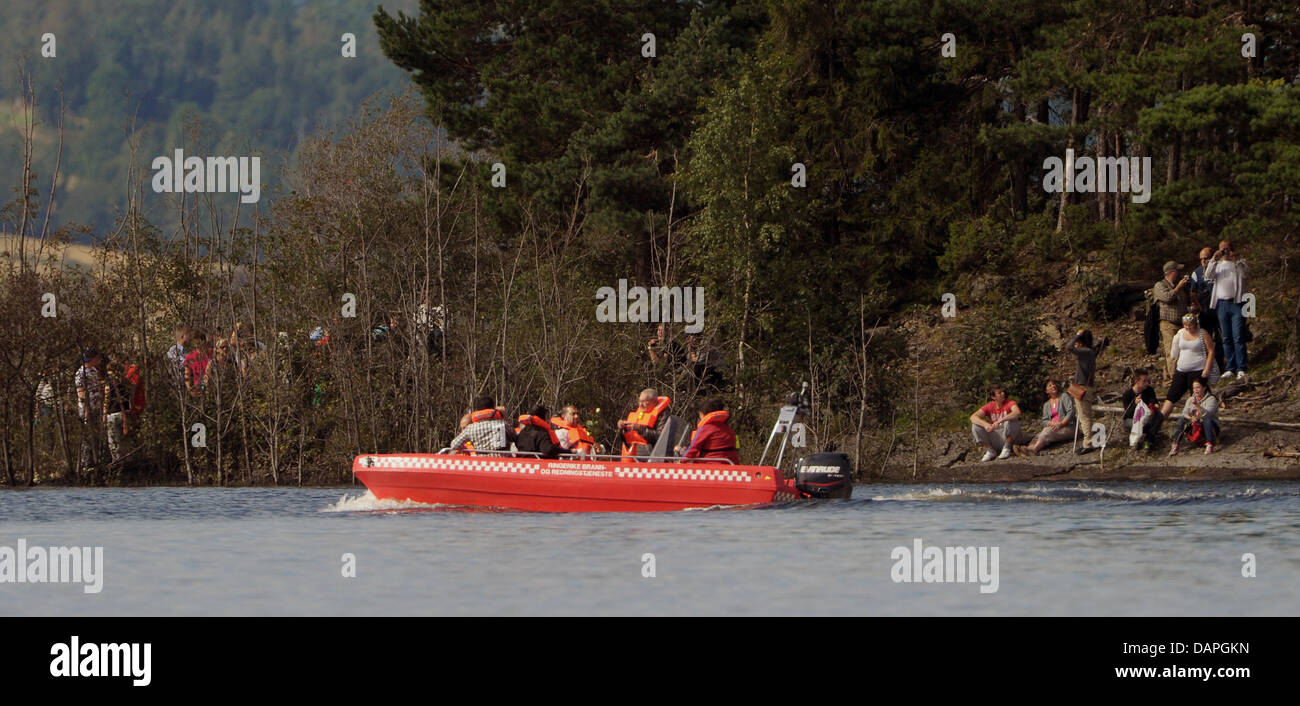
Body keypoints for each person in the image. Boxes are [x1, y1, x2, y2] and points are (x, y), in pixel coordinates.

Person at [1204, 239, 1249, 382]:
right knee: (1226, 337)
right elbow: (1207, 276)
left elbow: (1246, 274)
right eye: (1222, 249)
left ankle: (1241, 367)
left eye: (1227, 248)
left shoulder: (1239, 264)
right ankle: (1230, 367)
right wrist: (1213, 259)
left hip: (1237, 303)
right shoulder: (1217, 265)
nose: (1225, 251)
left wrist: (1235, 259)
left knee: (1238, 336)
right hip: (1222, 304)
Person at [1160, 313, 1217, 419]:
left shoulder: (1202, 333)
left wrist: (1207, 368)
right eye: (1185, 325)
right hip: (1181, 370)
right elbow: (1173, 353)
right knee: (1171, 397)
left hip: (1198, 370)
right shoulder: (1180, 333)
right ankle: (1157, 422)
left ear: (1195, 324)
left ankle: (1203, 422)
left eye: (1190, 326)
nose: (1187, 328)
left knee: (1198, 397)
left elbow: (1211, 350)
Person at [1065, 329, 1107, 454]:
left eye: (1078, 341)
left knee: (1084, 416)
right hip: (1085, 387)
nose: (1076, 343)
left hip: (1083, 388)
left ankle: (1088, 443)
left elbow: (1069, 347)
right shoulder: (1089, 352)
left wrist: (1077, 335)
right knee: (1085, 416)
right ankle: (1090, 440)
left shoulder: (1086, 352)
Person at [1014, 379, 1074, 456]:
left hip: (1068, 427)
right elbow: (1045, 420)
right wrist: (1052, 423)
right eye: (1050, 385)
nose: (1053, 386)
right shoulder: (1046, 405)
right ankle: (1026, 450)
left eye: (1053, 384)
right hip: (1053, 427)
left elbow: (1070, 412)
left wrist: (1061, 424)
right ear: (1046, 391)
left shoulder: (1064, 396)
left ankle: (1033, 450)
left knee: (1046, 432)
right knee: (1037, 437)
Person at [1152, 261, 1191, 379]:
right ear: (1171, 272)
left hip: (1182, 324)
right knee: (1171, 352)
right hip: (1168, 325)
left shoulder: (1180, 288)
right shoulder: (1160, 285)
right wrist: (1179, 287)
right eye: (1177, 271)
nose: (1179, 273)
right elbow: (1167, 297)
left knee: (1183, 351)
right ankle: (1174, 378)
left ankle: (1175, 376)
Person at [970, 385, 1023, 461]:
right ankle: (990, 451)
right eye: (999, 393)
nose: (1003, 394)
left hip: (1009, 436)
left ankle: (1007, 448)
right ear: (993, 397)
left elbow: (1017, 412)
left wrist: (1001, 420)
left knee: (1013, 420)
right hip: (996, 437)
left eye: (1003, 392)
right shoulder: (989, 406)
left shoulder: (1010, 403)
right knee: (975, 426)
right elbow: (973, 417)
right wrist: (986, 424)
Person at [679, 398, 740, 463]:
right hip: (730, 467)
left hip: (710, 468)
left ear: (704, 415)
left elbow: (692, 449)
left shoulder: (705, 429)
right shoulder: (728, 429)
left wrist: (682, 459)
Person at [75, 350, 107, 472]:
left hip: (97, 406)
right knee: (87, 435)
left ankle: (95, 461)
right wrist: (86, 408)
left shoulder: (94, 371)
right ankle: (85, 464)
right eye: (96, 358)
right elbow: (81, 391)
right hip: (87, 408)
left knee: (97, 433)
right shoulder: (80, 373)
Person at [1170, 378, 1221, 455]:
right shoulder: (1190, 399)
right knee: (1181, 420)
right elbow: (1184, 413)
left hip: (1209, 426)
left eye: (1198, 387)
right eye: (1194, 388)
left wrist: (1197, 405)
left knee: (1207, 419)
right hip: (1195, 424)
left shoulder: (1211, 399)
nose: (1196, 390)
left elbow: (1207, 414)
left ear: (1204, 388)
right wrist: (1190, 418)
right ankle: (1175, 444)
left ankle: (1209, 444)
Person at [619, 388, 671, 461]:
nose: (640, 405)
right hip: (633, 455)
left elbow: (661, 438)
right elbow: (624, 439)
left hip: (652, 457)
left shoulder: (663, 416)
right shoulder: (639, 412)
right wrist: (622, 428)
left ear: (654, 402)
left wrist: (639, 428)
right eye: (639, 401)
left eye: (644, 402)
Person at [449, 396, 515, 453]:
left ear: (477, 410)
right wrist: (504, 416)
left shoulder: (470, 428)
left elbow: (454, 445)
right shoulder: (502, 424)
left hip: (482, 462)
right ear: (493, 408)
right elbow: (514, 437)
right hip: (501, 463)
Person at [1188, 246, 1222, 352]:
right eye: (1201, 259)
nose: (1203, 261)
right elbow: (1192, 293)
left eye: (1206, 258)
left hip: (1220, 309)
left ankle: (1221, 362)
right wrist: (1199, 307)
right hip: (1205, 310)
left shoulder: (1220, 268)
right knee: (1206, 338)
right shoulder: (1196, 273)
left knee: (1221, 337)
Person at [1121, 369, 1163, 450]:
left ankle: (1149, 440)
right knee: (1135, 424)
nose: (1147, 383)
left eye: (1147, 381)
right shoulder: (1128, 394)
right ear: (1137, 381)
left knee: (1159, 416)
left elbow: (1154, 400)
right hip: (1132, 419)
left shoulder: (1149, 390)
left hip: (1146, 417)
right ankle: (1135, 442)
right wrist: (1135, 404)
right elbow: (1127, 414)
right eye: (1144, 381)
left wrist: (1155, 405)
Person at [103, 363, 135, 462]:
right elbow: (131, 399)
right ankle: (129, 462)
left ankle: (118, 463)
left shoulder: (109, 384)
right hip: (125, 413)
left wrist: (104, 414)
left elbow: (106, 400)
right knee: (126, 442)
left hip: (113, 415)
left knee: (114, 443)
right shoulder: (127, 383)